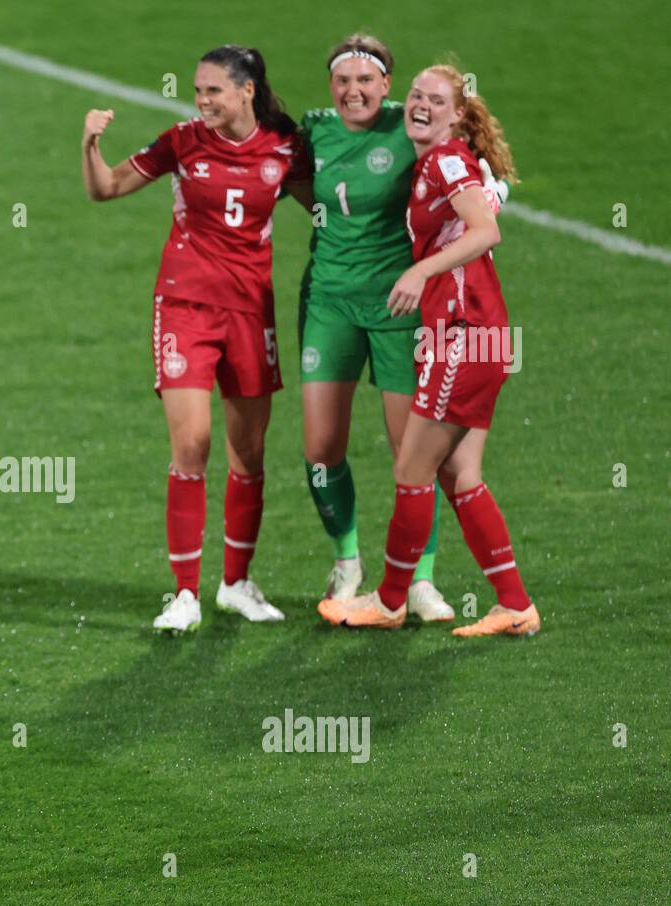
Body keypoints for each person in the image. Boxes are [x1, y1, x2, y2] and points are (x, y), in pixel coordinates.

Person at [81, 45, 310, 633]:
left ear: (247, 91)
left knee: (249, 453)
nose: (202, 101)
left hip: (251, 312)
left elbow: (327, 211)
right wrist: (90, 146)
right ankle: (184, 593)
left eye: (213, 90)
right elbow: (105, 189)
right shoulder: (182, 141)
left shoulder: (285, 147)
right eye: (197, 90)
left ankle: (236, 583)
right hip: (184, 307)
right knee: (193, 446)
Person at [318, 65, 540, 636]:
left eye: (435, 100)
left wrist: (420, 270)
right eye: (415, 96)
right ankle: (514, 605)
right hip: (481, 337)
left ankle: (390, 600)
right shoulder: (443, 164)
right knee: (461, 476)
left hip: (463, 336)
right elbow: (481, 206)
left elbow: (485, 230)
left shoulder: (444, 161)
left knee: (412, 468)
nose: (419, 104)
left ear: (458, 115)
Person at [294, 35, 454, 622]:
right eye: (342, 81)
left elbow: (476, 169)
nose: (352, 91)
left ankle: (420, 581)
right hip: (330, 301)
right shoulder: (314, 131)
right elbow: (292, 180)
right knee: (319, 448)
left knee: (411, 452)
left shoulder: (409, 128)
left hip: (398, 307)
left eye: (366, 81)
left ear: (387, 85)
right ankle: (347, 561)